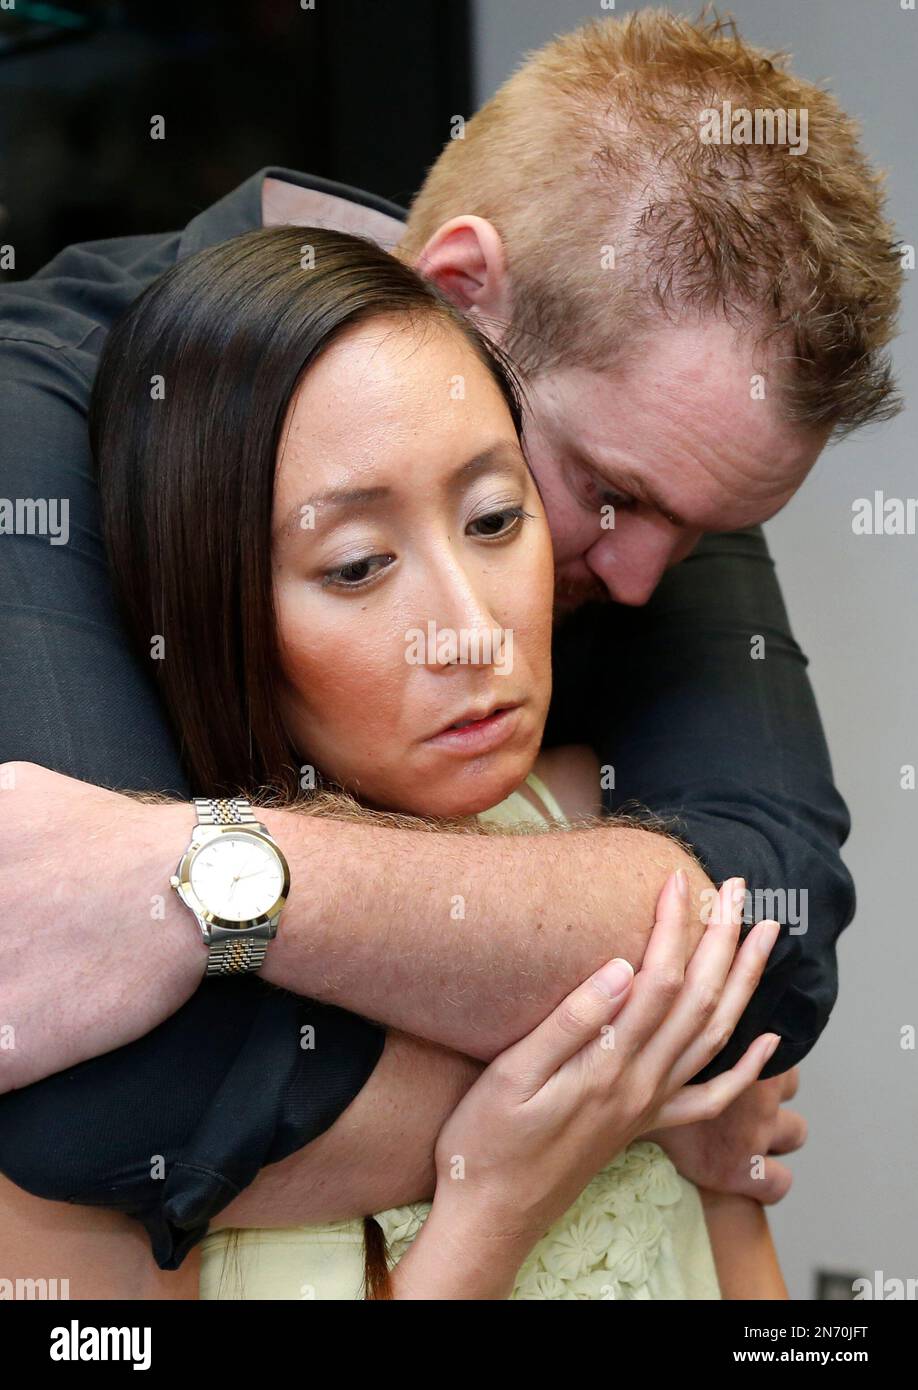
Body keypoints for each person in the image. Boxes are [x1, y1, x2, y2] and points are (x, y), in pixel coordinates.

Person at [0, 11, 897, 1276]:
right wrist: (624, 1098)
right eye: (616, 496)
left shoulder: (634, 440)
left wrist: (208, 876)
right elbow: (105, 1103)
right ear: (463, 295)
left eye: (494, 517)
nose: (646, 586)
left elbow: (766, 957)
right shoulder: (41, 415)